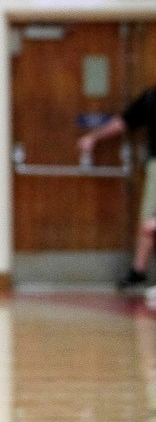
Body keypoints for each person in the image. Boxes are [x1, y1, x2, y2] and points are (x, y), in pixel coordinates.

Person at [78, 85, 156, 291]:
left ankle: (138, 270)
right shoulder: (151, 97)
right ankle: (138, 271)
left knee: (151, 222)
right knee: (150, 222)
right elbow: (124, 122)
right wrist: (94, 137)